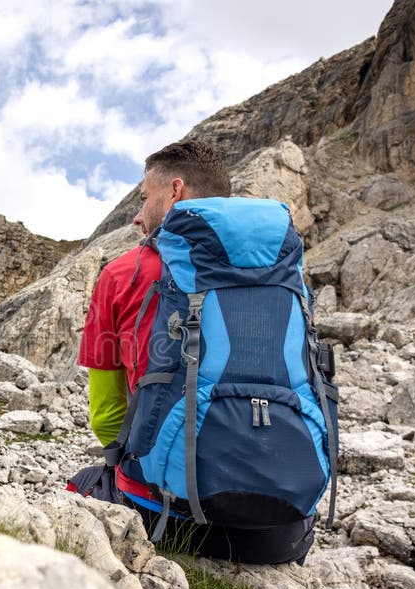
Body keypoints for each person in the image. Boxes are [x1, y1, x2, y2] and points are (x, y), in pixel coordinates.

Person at [73, 140, 317, 565]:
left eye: (144, 198)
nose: (137, 215)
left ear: (175, 192)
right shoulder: (285, 278)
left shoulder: (119, 273)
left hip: (164, 520)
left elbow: (106, 415)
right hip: (280, 532)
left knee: (80, 488)